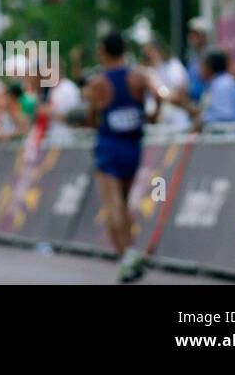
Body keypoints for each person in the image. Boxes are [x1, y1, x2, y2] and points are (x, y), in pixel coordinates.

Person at [83, 31, 162, 283]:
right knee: (124, 202)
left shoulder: (98, 82)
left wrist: (93, 123)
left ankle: (128, 254)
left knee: (113, 203)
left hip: (109, 144)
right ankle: (129, 253)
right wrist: (152, 117)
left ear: (103, 52)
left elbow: (91, 117)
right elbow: (160, 95)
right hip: (133, 145)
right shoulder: (139, 76)